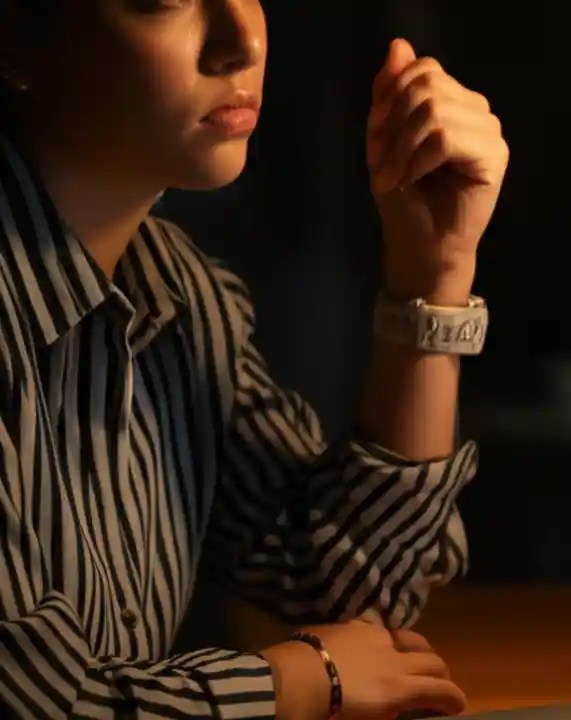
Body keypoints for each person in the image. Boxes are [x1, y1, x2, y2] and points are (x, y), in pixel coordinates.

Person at [0, 0, 509, 717]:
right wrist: (302, 680)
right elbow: (32, 701)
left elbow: (355, 595)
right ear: (17, 41)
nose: (242, 40)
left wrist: (434, 274)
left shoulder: (180, 294)